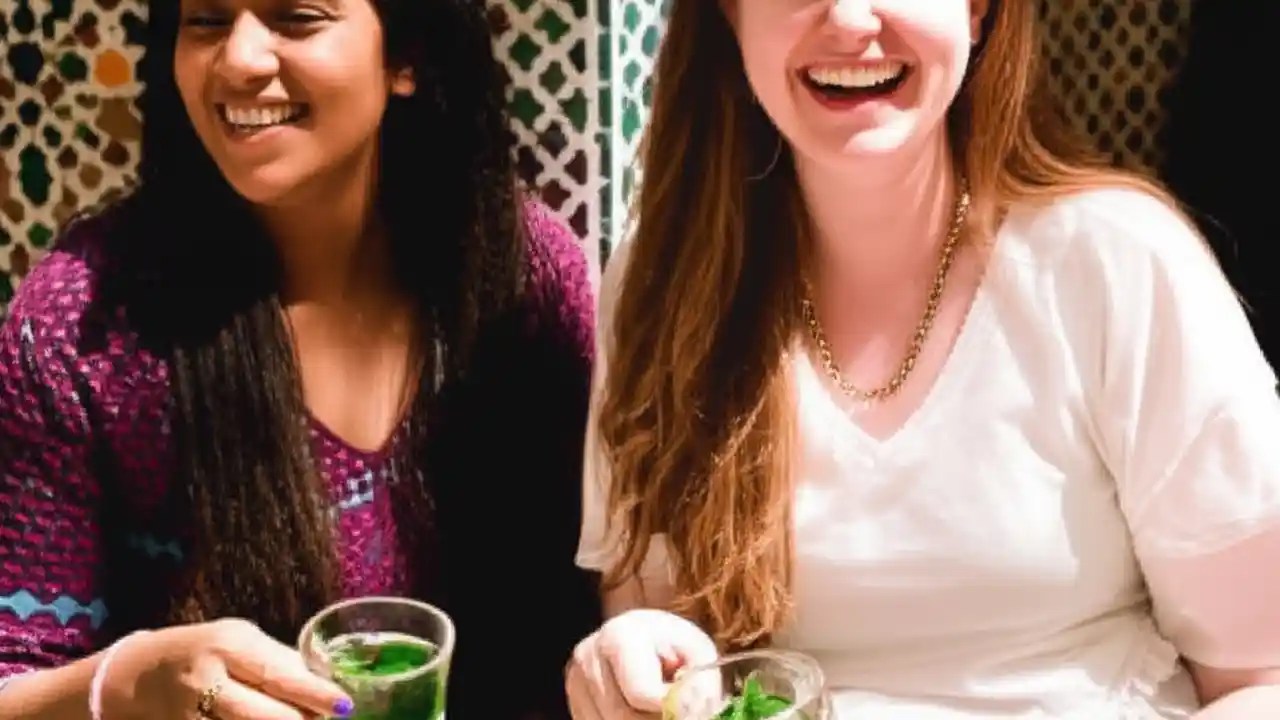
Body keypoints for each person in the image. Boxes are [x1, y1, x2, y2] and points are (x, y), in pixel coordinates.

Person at [566, 0, 1280, 718]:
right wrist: (632, 659)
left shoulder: (1116, 264)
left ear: (977, 11)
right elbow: (671, 649)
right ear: (728, 16)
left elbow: (1261, 678)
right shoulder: (664, 287)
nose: (848, 20)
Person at [0, 0, 600, 716]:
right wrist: (130, 684)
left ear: (404, 55)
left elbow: (605, 596)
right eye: (207, 21)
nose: (240, 59)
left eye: (296, 18)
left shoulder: (524, 283)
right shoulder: (82, 326)